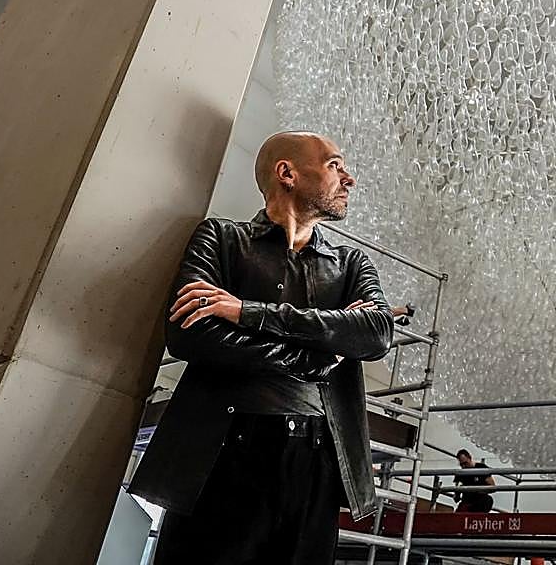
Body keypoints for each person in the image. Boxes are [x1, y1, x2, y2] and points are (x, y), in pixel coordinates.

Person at [129, 131, 394, 564]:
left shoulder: (351, 265)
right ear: (287, 173)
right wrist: (315, 358)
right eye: (334, 165)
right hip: (219, 455)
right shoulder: (220, 239)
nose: (350, 179)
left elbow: (376, 332)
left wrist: (248, 313)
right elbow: (190, 333)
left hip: (317, 462)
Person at [454, 448, 496, 512]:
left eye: (465, 463)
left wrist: (478, 490)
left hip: (480, 500)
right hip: (466, 502)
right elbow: (456, 494)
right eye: (461, 464)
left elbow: (492, 487)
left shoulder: (481, 467)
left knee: (488, 500)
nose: (464, 466)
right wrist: (457, 494)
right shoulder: (461, 473)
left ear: (470, 458)